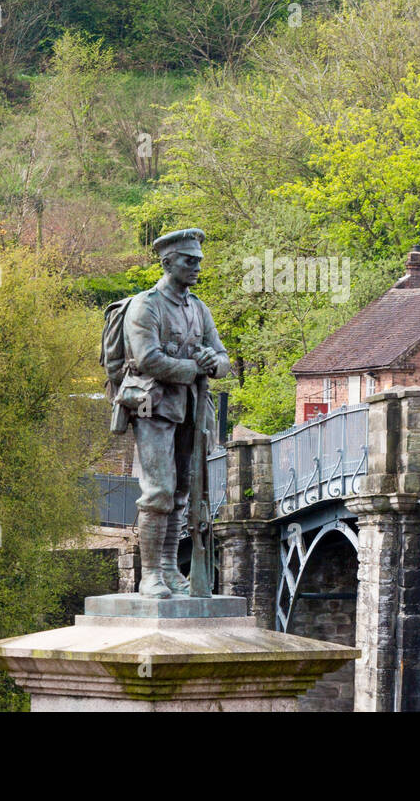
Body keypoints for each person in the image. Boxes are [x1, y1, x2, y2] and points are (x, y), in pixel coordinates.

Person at [121, 228, 230, 597]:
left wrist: (212, 362)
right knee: (159, 491)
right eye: (189, 260)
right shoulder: (146, 305)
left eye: (199, 260)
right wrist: (194, 368)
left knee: (183, 490)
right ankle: (150, 574)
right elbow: (149, 359)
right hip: (153, 406)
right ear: (168, 262)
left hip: (192, 408)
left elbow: (223, 357)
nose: (197, 266)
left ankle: (169, 566)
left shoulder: (199, 308)